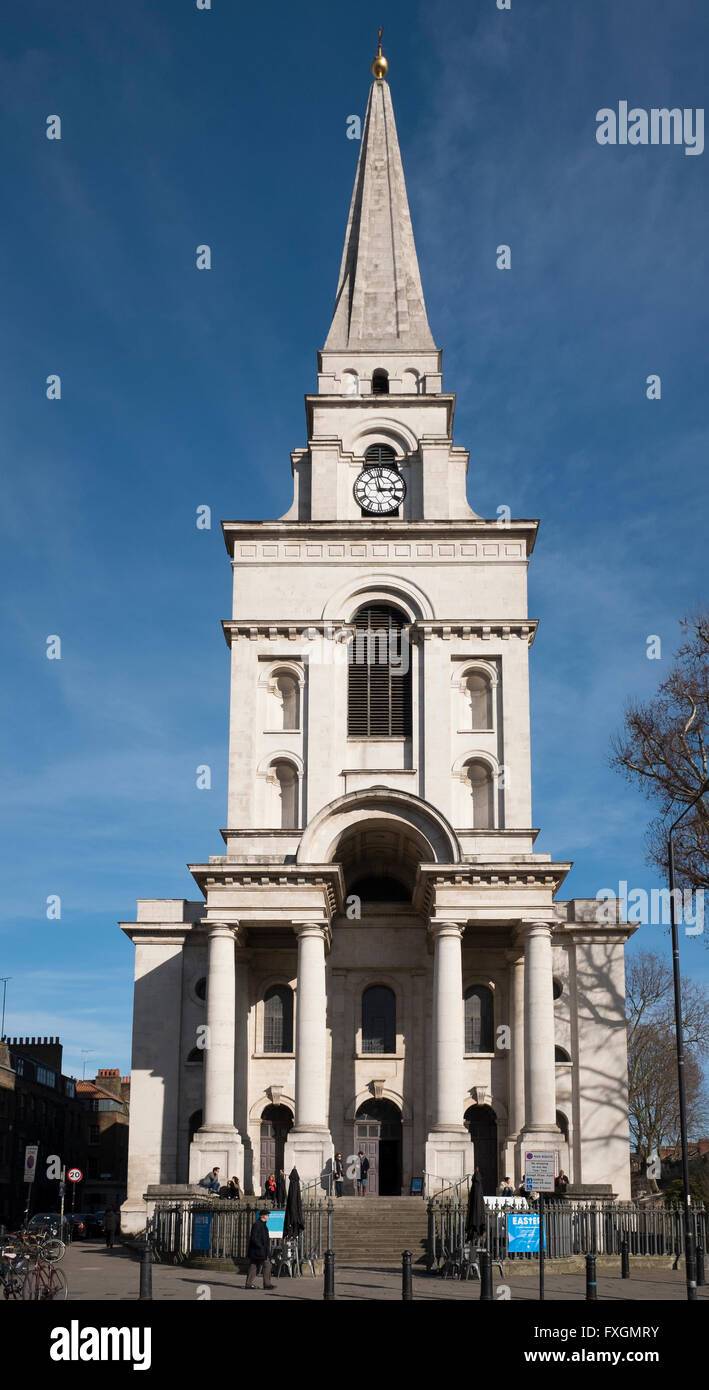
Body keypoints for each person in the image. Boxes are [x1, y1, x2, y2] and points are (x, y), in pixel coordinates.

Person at [245, 1210, 275, 1290]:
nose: (268, 1216)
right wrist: (261, 1247)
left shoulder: (263, 1225)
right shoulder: (257, 1225)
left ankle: (249, 1284)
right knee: (267, 1265)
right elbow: (254, 1238)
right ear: (263, 1216)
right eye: (267, 1215)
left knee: (254, 1266)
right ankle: (267, 1284)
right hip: (258, 1250)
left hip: (259, 1250)